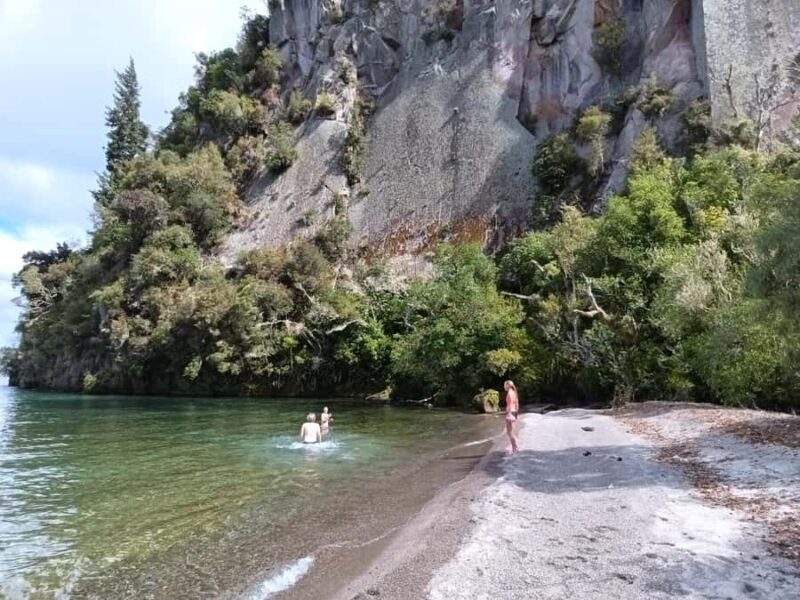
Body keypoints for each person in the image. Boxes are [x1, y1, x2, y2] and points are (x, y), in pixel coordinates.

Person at [504, 380, 520, 454]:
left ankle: (515, 448)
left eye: (505, 385)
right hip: (514, 412)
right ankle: (515, 448)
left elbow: (510, 406)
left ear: (508, 385)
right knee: (511, 432)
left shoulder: (510, 394)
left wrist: (508, 414)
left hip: (511, 413)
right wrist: (515, 414)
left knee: (510, 433)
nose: (504, 386)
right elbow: (516, 405)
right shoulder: (514, 393)